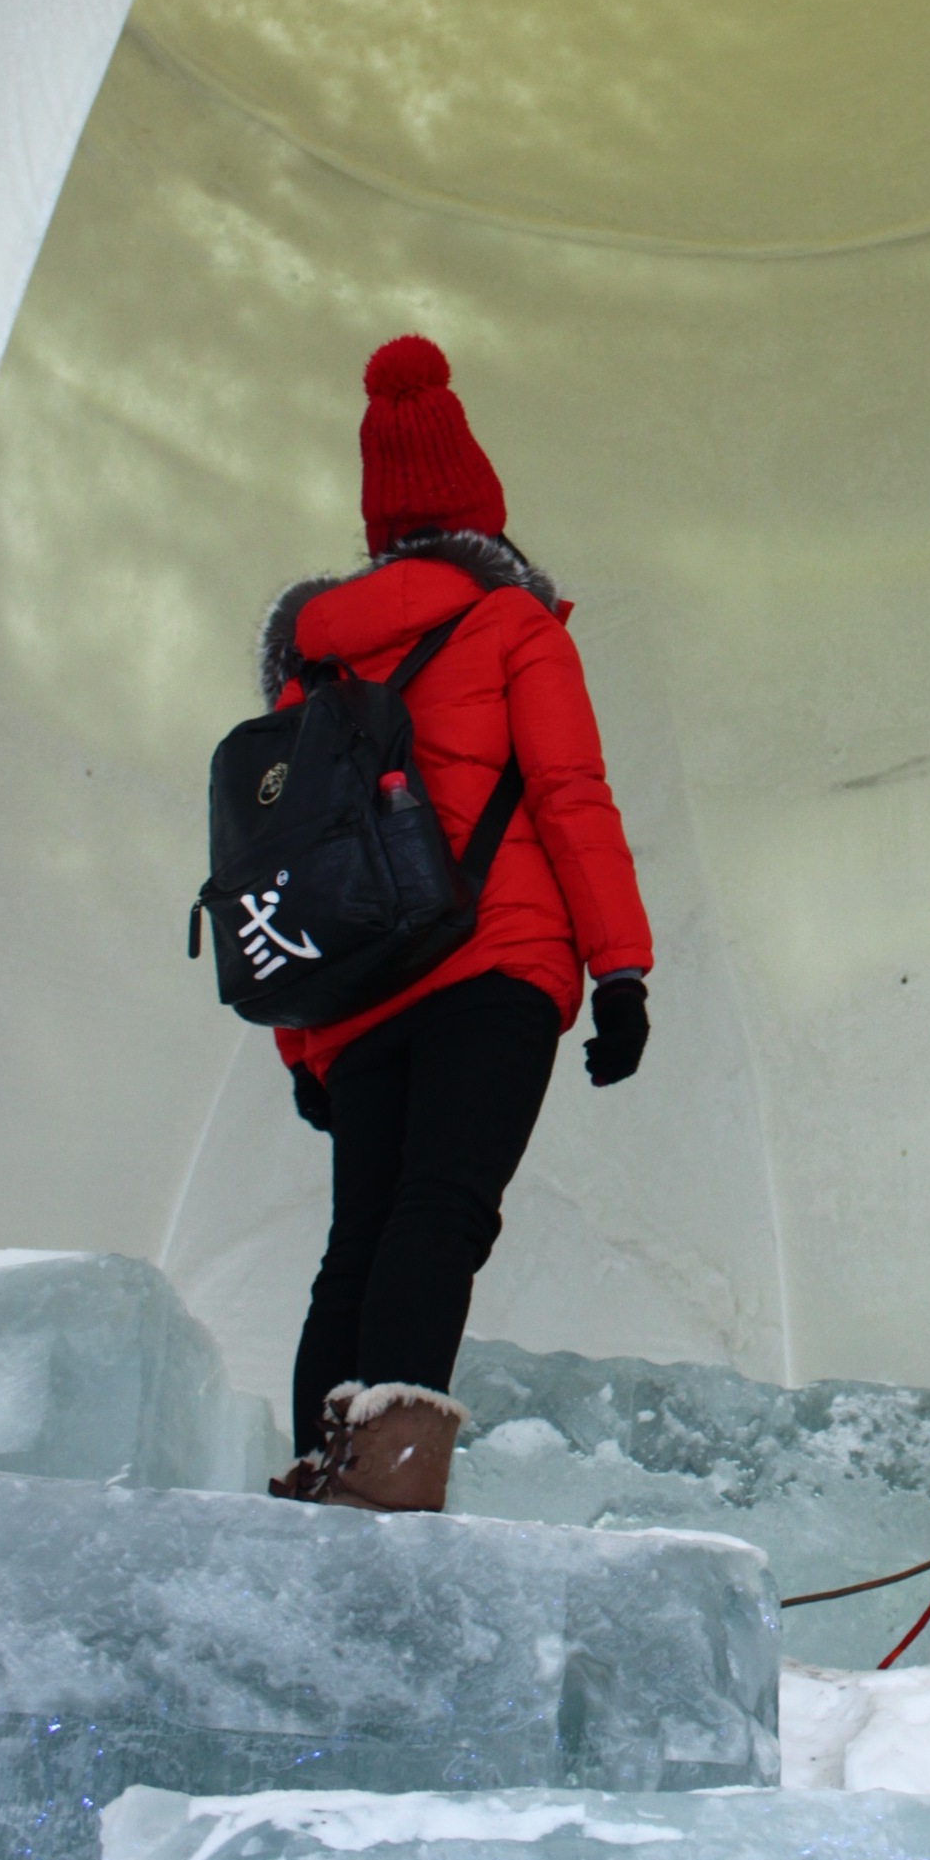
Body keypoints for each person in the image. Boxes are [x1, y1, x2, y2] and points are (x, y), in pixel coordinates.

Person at [263, 337, 653, 1513]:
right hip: (494, 968)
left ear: (379, 528)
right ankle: (386, 1489)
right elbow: (570, 796)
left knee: (359, 1239)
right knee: (442, 1214)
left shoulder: (312, 670)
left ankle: (317, 1483)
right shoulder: (512, 625)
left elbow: (276, 865)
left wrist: (304, 1042)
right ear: (480, 514)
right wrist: (620, 971)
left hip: (361, 992)